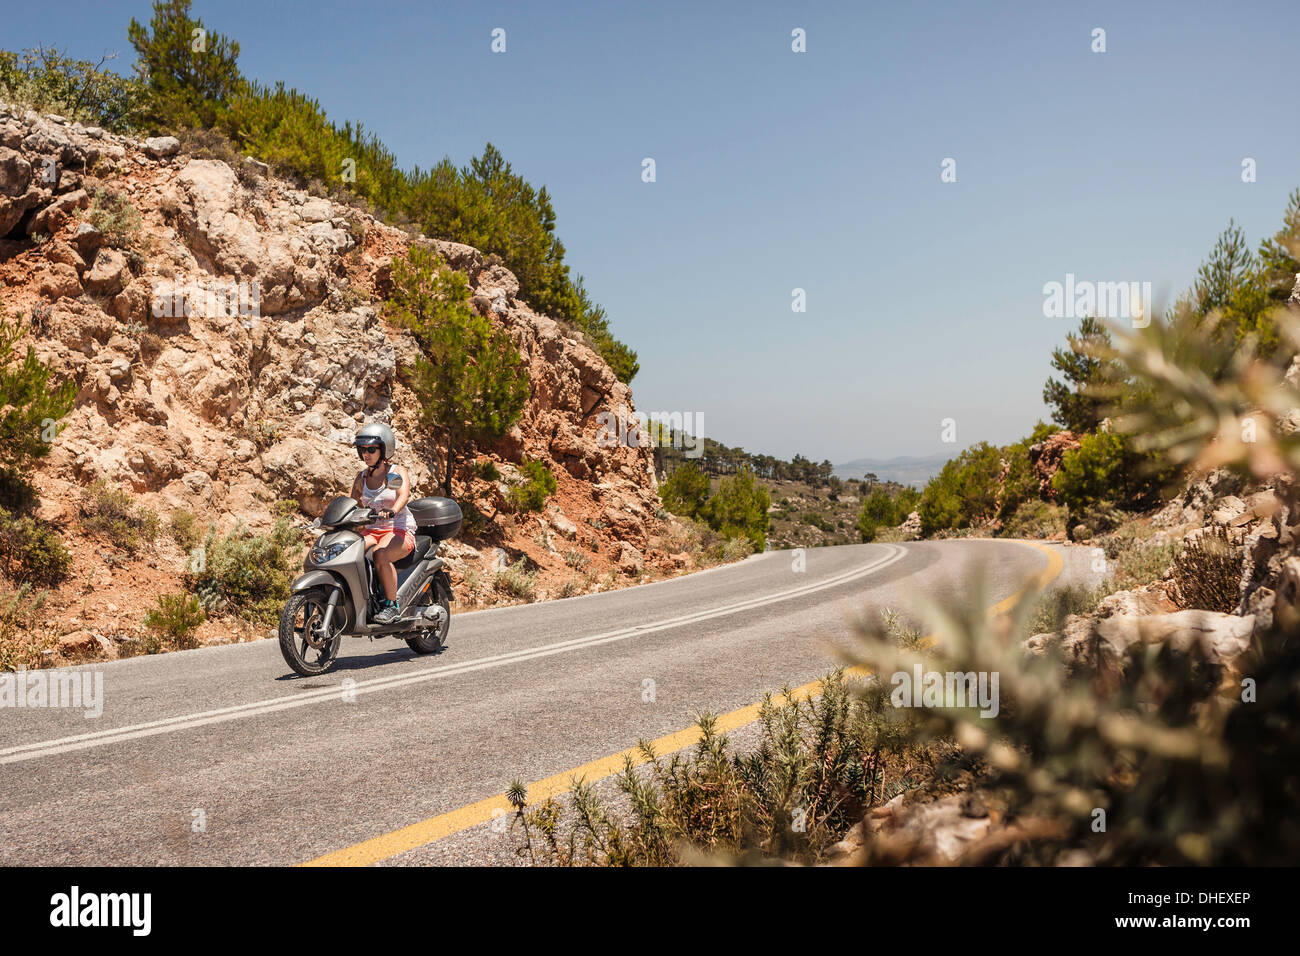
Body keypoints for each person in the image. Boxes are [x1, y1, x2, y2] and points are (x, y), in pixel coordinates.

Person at [350, 423, 415, 624]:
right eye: (363, 450)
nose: (366, 454)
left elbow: (403, 495)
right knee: (349, 553)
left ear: (384, 449)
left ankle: (391, 605)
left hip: (398, 529)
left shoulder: (395, 473)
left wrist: (393, 510)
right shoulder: (361, 478)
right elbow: (351, 503)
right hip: (372, 530)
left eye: (371, 449)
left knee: (381, 553)